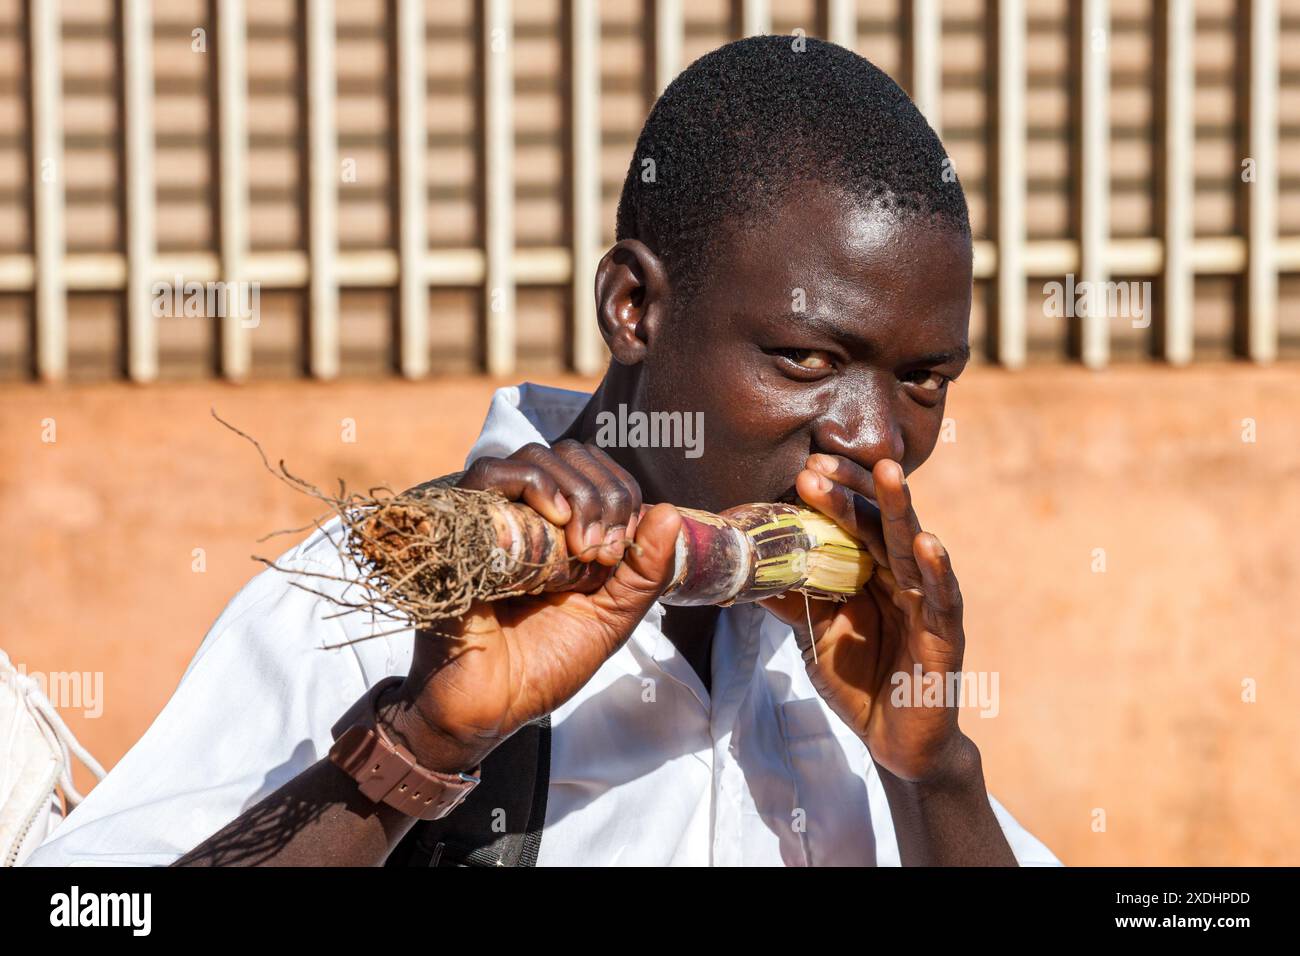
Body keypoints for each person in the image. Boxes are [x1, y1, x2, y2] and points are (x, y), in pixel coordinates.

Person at [27, 35, 1060, 867]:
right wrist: (418, 746)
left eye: (924, 379)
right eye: (802, 358)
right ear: (633, 307)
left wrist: (935, 777)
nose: (875, 442)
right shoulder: (383, 600)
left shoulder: (844, 673)